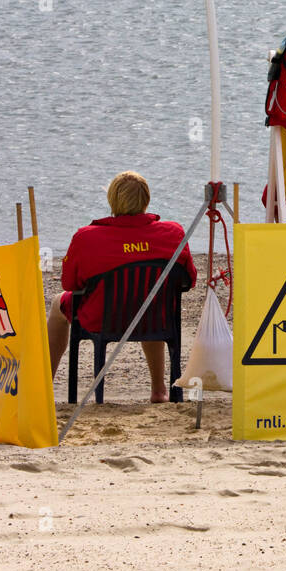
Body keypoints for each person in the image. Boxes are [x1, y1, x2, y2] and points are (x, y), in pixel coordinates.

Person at [47, 171, 197, 402]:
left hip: (102, 318)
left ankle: (45, 385)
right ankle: (159, 390)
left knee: (59, 303)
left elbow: (70, 284)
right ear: (146, 200)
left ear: (112, 200)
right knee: (151, 299)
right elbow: (189, 280)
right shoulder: (173, 233)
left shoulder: (86, 238)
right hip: (155, 315)